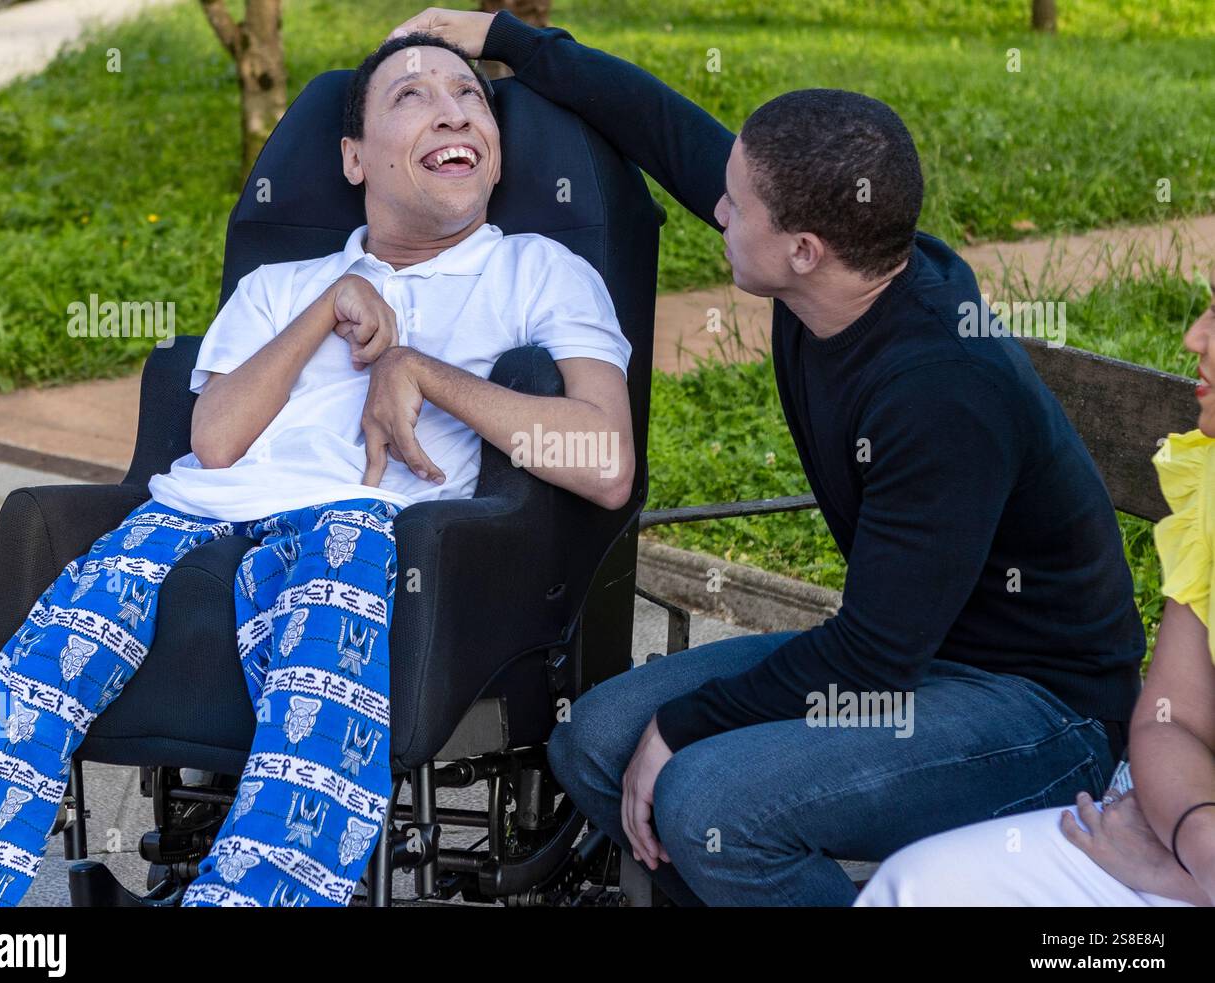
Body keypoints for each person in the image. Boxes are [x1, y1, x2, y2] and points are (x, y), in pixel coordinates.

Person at [387, 8, 1143, 906]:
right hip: (919, 656)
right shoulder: (836, 268)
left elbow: (870, 659)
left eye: (735, 206)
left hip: (1038, 709)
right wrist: (508, 35)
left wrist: (683, 724)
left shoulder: (941, 392)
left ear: (803, 250)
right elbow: (665, 128)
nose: (716, 206)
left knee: (711, 802)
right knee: (594, 741)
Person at [0, 33, 635, 908]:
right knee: (22, 702)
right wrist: (329, 305)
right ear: (354, 157)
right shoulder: (280, 286)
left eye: (471, 96)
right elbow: (214, 441)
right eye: (413, 96)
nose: (454, 112)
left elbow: (605, 463)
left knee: (317, 692)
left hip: (367, 527)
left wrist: (418, 371)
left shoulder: (538, 271)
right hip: (193, 516)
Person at [854, 272, 1215, 907]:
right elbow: (1175, 716)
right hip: (1178, 829)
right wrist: (1199, 840)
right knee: (914, 889)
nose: (1195, 337)